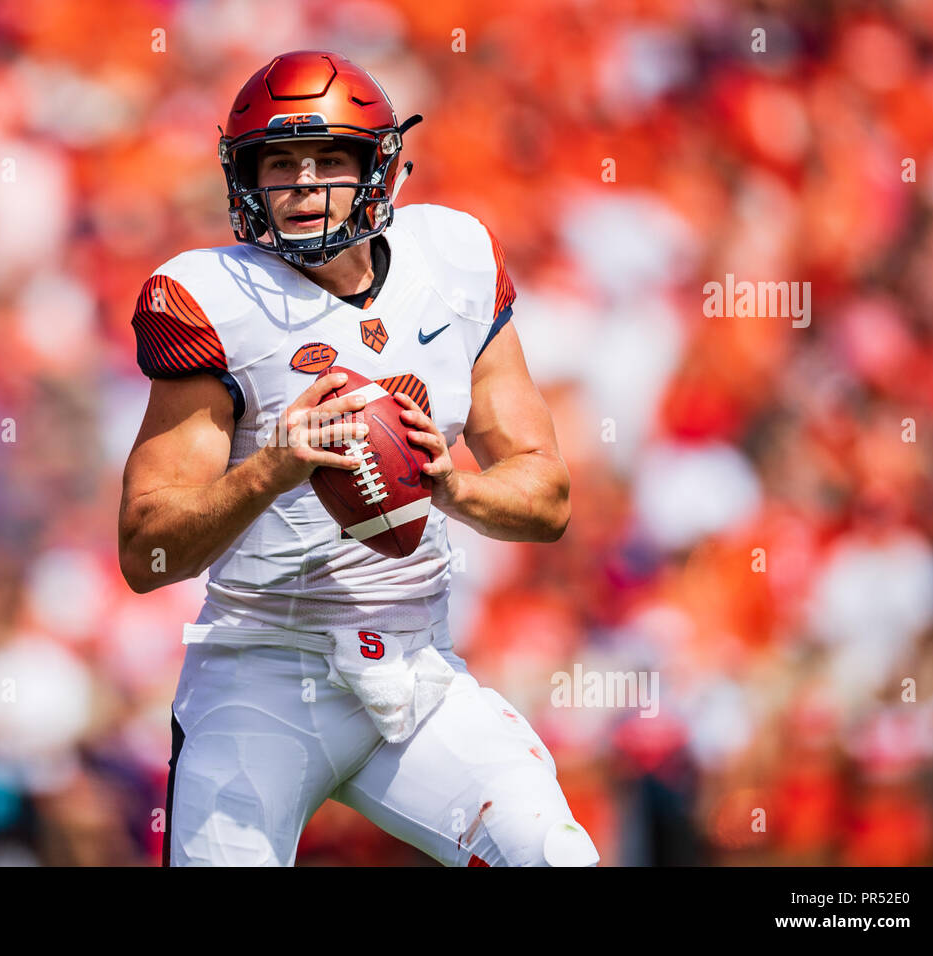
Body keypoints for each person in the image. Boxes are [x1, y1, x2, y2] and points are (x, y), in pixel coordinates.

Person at [118, 49, 599, 867]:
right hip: (259, 676)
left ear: (380, 166)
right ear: (244, 177)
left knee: (555, 857)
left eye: (328, 159)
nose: (303, 184)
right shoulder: (212, 297)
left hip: (415, 668)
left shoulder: (455, 260)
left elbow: (547, 496)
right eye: (278, 163)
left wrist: (452, 488)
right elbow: (145, 551)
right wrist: (272, 468)